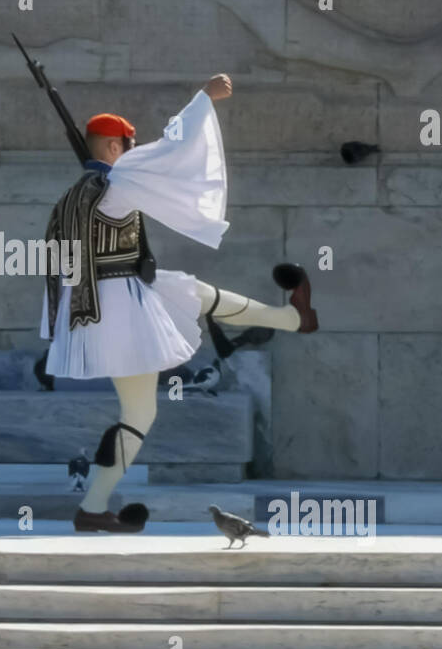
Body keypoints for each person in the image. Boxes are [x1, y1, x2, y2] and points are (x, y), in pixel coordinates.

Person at [41, 73, 318, 533]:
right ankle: (92, 507)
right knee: (139, 413)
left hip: (103, 305)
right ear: (111, 148)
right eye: (126, 146)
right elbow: (169, 154)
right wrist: (202, 101)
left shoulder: (72, 197)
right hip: (121, 310)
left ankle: (291, 317)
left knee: (194, 292)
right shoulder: (115, 187)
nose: (131, 154)